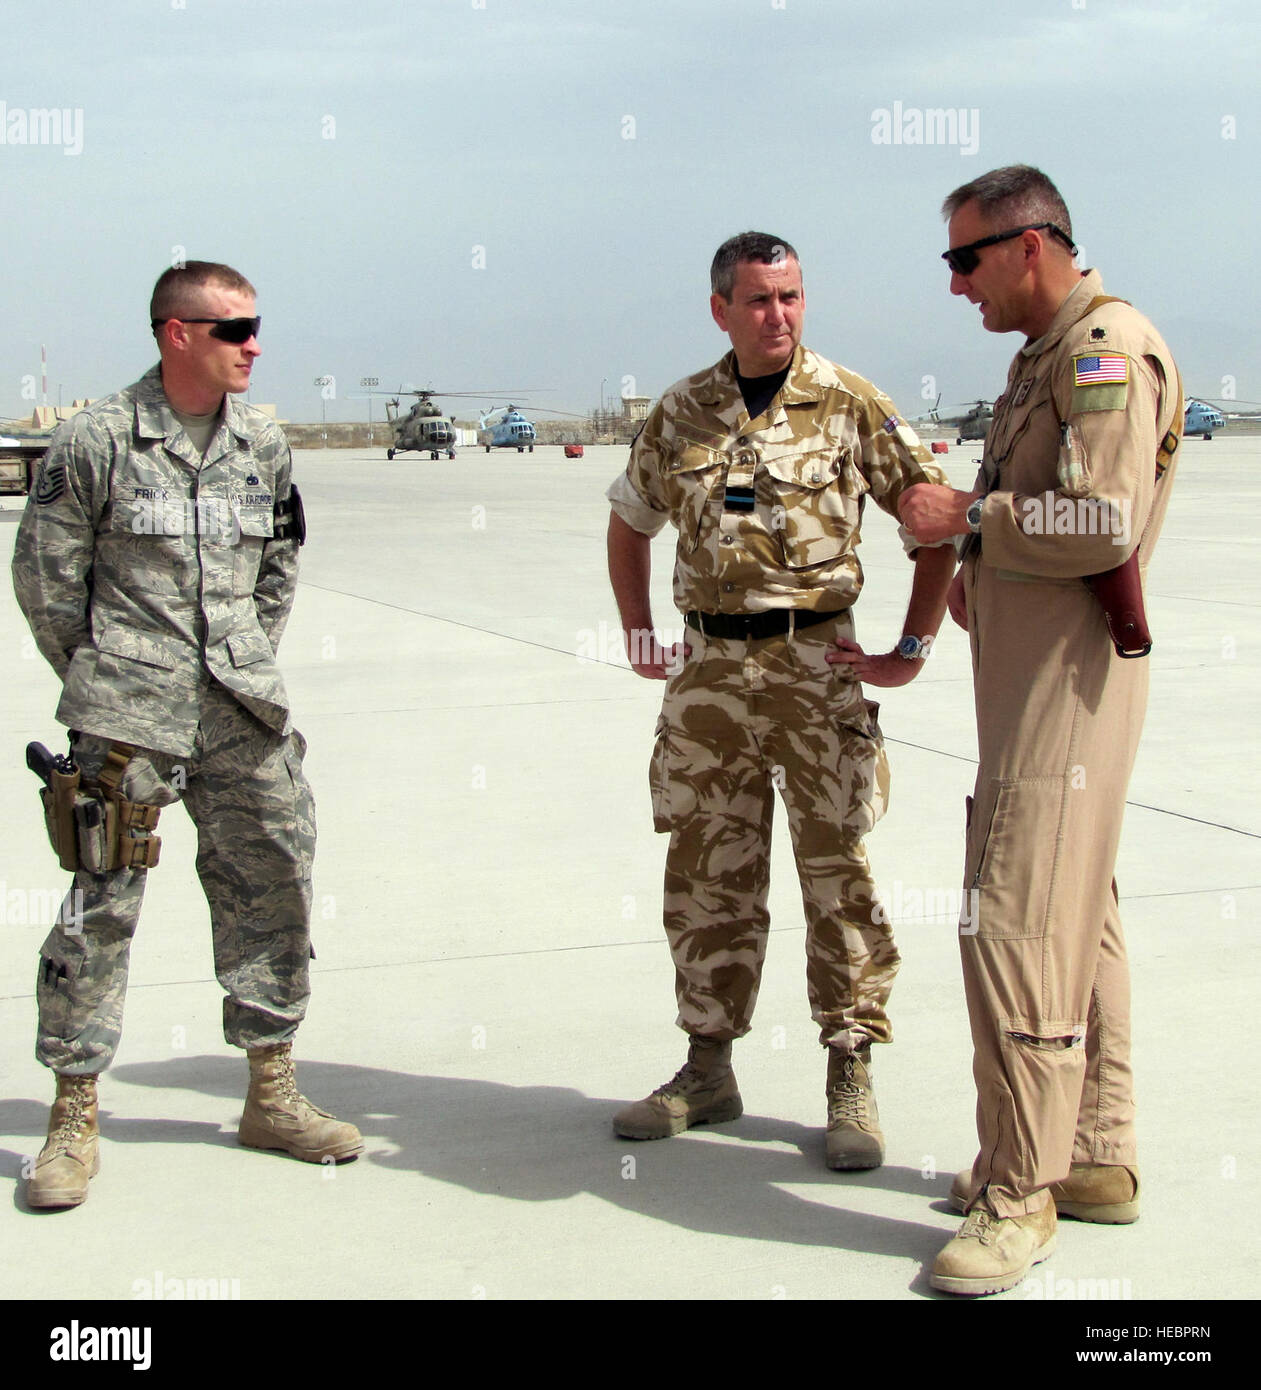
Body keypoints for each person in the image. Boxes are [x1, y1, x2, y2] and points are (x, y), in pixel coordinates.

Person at [12, 260, 362, 1209]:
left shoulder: (261, 442)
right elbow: (46, 579)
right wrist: (110, 673)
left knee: (274, 882)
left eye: (255, 328)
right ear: (177, 335)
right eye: (234, 330)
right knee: (102, 906)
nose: (254, 345)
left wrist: (243, 652)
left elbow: (280, 560)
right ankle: (73, 1117)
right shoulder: (96, 442)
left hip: (242, 711)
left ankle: (271, 1089)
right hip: (128, 714)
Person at [605, 231, 955, 1168]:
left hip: (814, 666)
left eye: (791, 297)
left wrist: (912, 647)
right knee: (706, 869)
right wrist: (637, 628)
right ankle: (707, 1065)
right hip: (709, 673)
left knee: (836, 869)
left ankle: (849, 1071)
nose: (778, 316)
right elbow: (628, 518)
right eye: (758, 300)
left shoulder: (847, 402)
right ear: (720, 307)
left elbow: (932, 524)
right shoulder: (682, 410)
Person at [898, 167, 1182, 1295]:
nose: (956, 286)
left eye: (964, 261)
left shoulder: (1103, 350)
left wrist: (968, 519)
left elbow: (1102, 520)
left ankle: (1018, 1196)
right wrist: (982, 560)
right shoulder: (1042, 358)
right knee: (1078, 912)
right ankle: (1090, 1153)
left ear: (1030, 244)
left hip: (1062, 694)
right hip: (1029, 686)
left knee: (1012, 918)